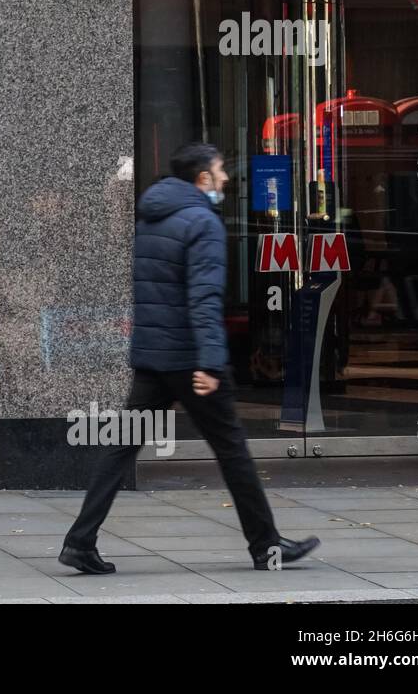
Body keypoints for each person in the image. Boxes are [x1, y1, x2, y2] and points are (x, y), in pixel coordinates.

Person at [60, 143, 321, 574]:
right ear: (202, 177)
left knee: (121, 446)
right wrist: (210, 362)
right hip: (188, 357)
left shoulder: (152, 216)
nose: (225, 179)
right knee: (232, 449)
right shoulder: (202, 222)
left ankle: (79, 541)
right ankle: (266, 546)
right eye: (219, 171)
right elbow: (203, 297)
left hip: (154, 356)